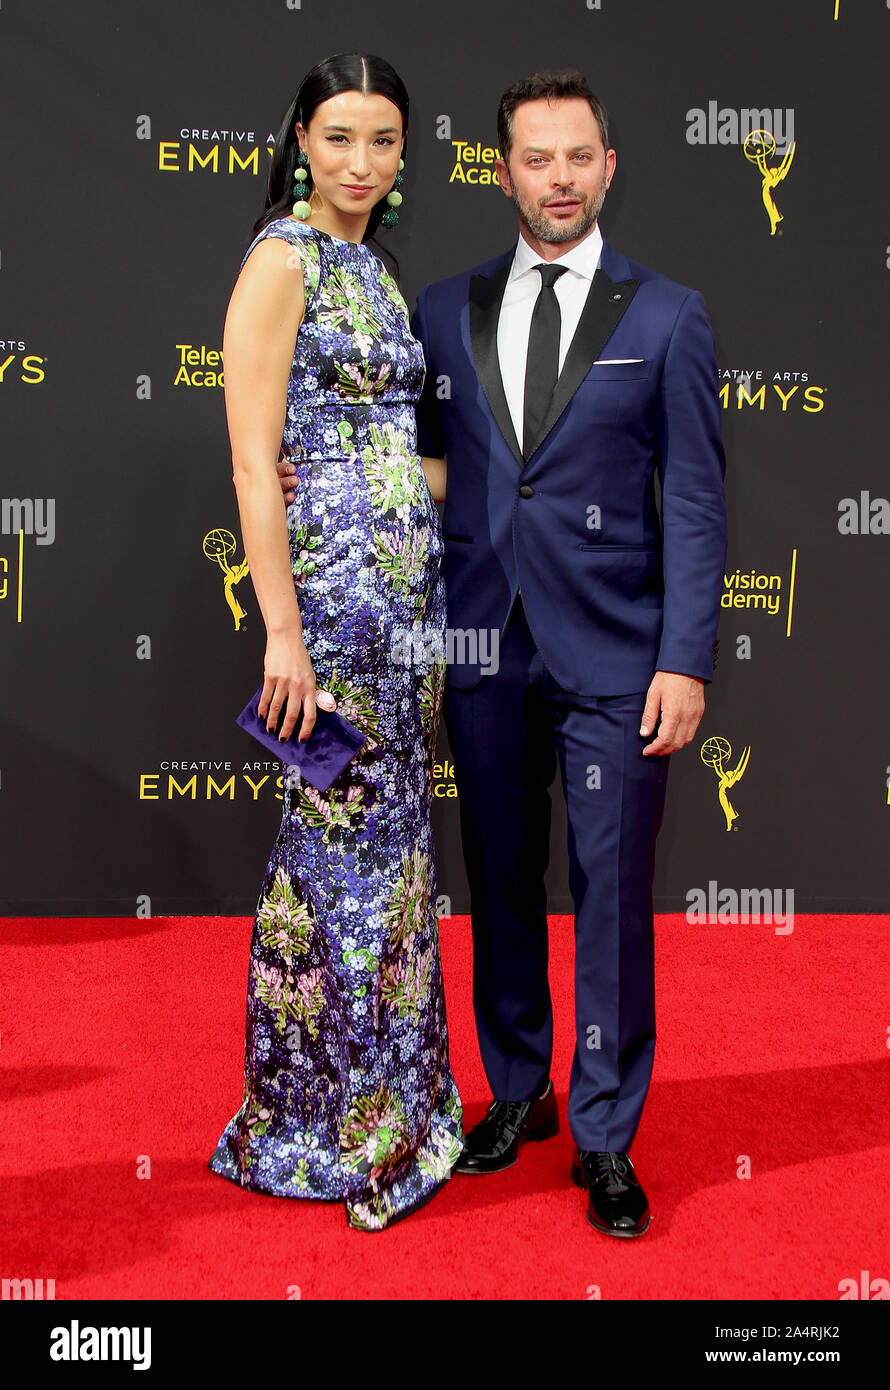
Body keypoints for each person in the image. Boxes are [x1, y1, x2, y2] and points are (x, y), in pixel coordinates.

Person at [284, 67, 727, 1238]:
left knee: (613, 895)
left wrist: (683, 657)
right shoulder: (439, 307)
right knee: (498, 878)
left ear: (608, 167)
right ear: (500, 173)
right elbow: (415, 467)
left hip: (617, 654)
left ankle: (605, 1134)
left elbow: (690, 499)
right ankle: (518, 1085)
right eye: (535, 159)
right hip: (475, 642)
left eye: (578, 157)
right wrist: (317, 478)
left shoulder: (668, 314)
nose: (559, 179)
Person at [208, 52, 463, 1232]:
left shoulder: (375, 267)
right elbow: (256, 461)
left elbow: (400, 451)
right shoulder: (280, 260)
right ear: (300, 139)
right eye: (339, 138)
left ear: (405, 154)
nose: (360, 163)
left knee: (396, 854)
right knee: (341, 860)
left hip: (405, 609)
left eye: (383, 141)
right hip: (329, 609)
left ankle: (399, 1107)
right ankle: (325, 1126)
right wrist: (282, 632)